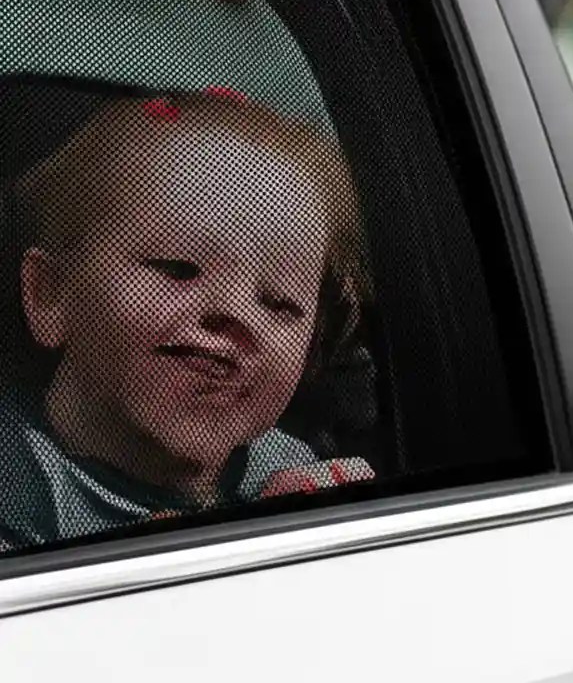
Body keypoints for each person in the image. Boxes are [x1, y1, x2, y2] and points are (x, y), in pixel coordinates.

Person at [0, 87, 374, 551]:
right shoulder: (14, 480)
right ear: (51, 293)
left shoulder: (286, 469)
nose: (235, 313)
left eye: (279, 304)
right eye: (178, 269)